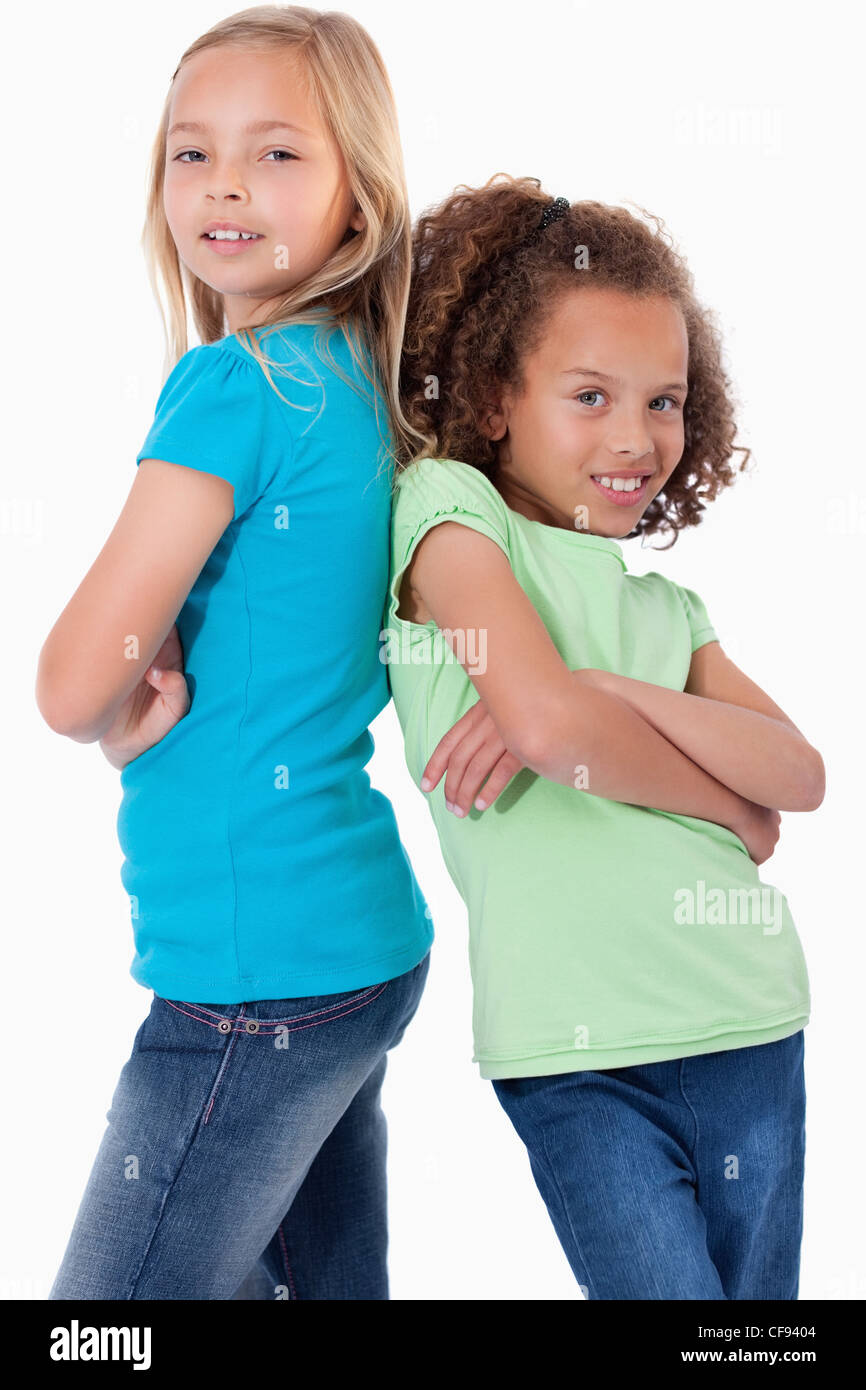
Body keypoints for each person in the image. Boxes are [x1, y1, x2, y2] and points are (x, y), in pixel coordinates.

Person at [36, 6, 438, 1300]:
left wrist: (110, 716)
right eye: (190, 152)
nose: (222, 184)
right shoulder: (358, 384)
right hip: (351, 951)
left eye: (275, 153)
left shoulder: (236, 389)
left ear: (357, 200)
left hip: (249, 984)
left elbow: (69, 682)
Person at [383, 174, 824, 1299]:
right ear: (493, 400)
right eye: (590, 396)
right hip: (575, 1058)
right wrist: (725, 803)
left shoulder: (665, 611)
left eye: (663, 401)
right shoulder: (451, 513)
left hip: (747, 1023)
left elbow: (800, 772)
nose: (636, 438)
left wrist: (607, 690)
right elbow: (541, 726)